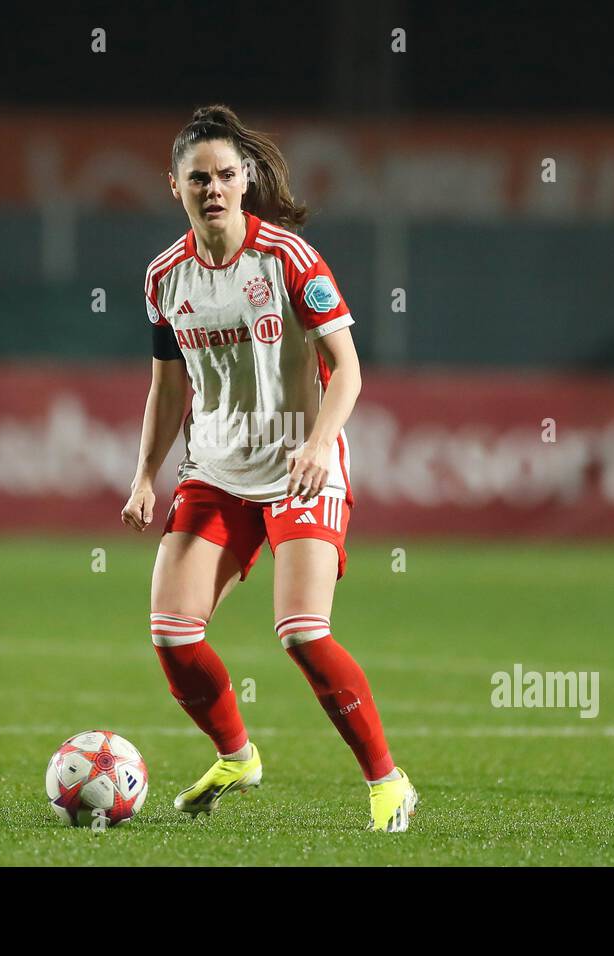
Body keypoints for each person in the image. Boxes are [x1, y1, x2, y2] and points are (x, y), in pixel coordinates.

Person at [121, 105, 416, 831]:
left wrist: (319, 443)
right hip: (215, 470)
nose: (214, 188)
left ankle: (387, 781)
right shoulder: (164, 277)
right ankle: (237, 755)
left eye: (226, 175)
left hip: (297, 467)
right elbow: (167, 387)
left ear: (246, 178)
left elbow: (346, 368)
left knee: (302, 632)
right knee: (172, 633)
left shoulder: (288, 257)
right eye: (199, 178)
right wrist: (143, 476)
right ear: (175, 186)